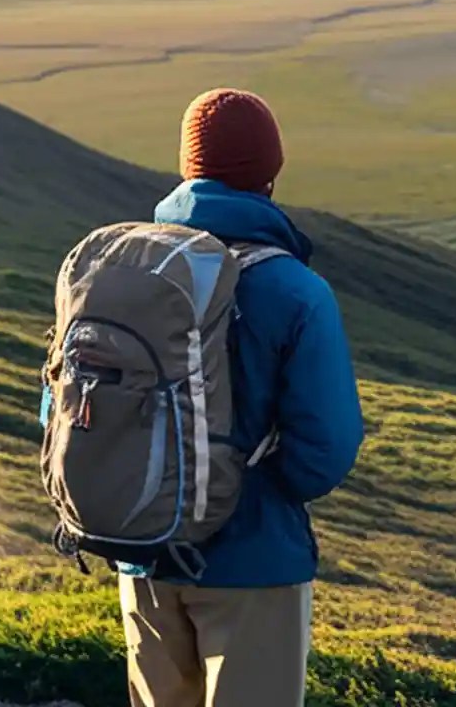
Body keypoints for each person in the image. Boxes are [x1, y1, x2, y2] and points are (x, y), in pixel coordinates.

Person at [117, 87, 365, 707]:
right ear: (271, 173)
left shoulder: (121, 272)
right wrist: (249, 491)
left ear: (187, 169)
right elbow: (326, 448)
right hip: (252, 559)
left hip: (143, 554)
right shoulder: (294, 289)